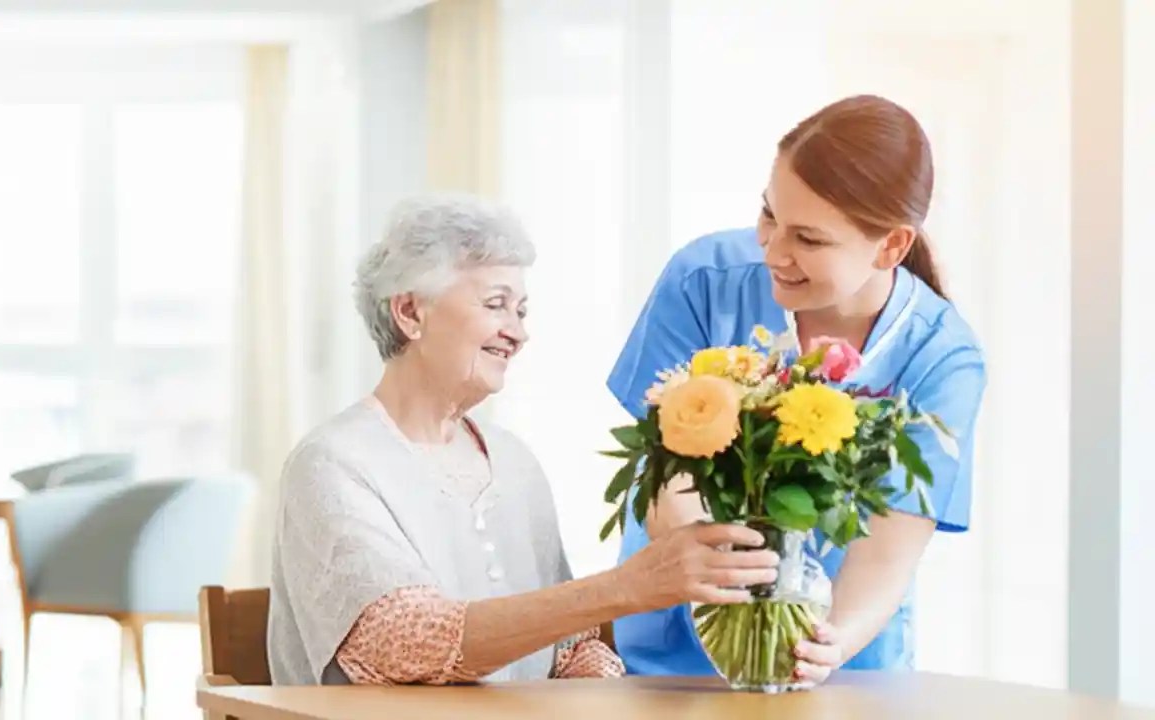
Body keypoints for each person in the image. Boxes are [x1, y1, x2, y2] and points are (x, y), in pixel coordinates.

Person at [267, 194, 781, 686]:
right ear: (410, 312)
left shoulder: (513, 462)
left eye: (521, 311)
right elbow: (400, 643)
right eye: (496, 305)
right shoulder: (334, 463)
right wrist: (626, 587)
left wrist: (597, 687)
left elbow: (571, 647)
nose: (518, 332)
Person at [607, 94, 987, 683]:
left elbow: (891, 545)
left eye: (808, 239)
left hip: (840, 663)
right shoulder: (704, 281)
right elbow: (668, 476)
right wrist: (729, 592)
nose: (774, 252)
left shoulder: (942, 356)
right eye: (769, 217)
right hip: (671, 654)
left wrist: (828, 644)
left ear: (891, 245)